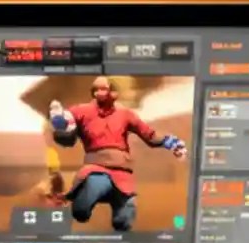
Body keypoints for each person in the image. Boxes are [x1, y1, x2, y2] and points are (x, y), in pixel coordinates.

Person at [47, 76, 186, 232]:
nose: (101, 93)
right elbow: (67, 135)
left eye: (105, 89)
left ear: (113, 92)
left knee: (123, 222)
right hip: (97, 168)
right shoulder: (82, 111)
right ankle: (83, 203)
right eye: (97, 90)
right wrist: (61, 123)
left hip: (122, 173)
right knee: (82, 209)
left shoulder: (126, 114)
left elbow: (149, 135)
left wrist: (172, 143)